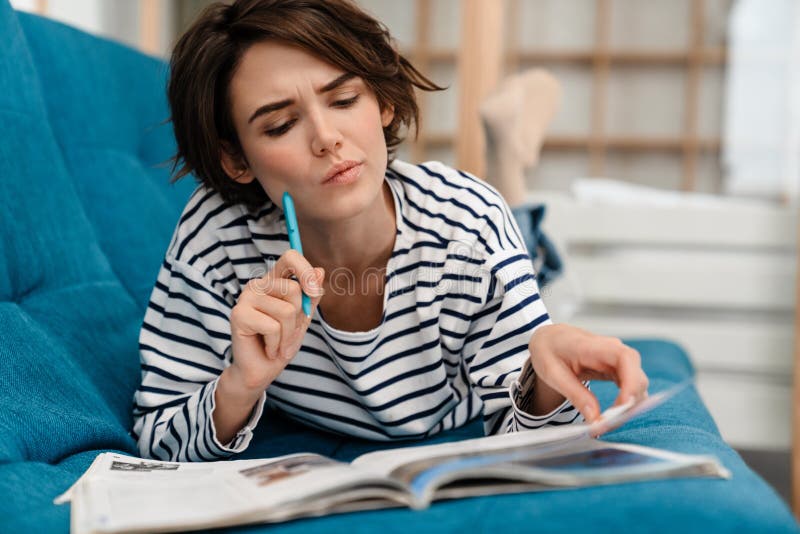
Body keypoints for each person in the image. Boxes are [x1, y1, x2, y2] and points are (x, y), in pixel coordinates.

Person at [133, 0, 648, 462]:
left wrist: (542, 383)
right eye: (280, 125)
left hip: (473, 232)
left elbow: (530, 434)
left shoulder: (469, 226)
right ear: (236, 159)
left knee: (522, 239)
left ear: (382, 102)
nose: (328, 139)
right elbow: (158, 434)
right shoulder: (216, 238)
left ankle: (510, 156)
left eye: (343, 100)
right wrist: (240, 385)